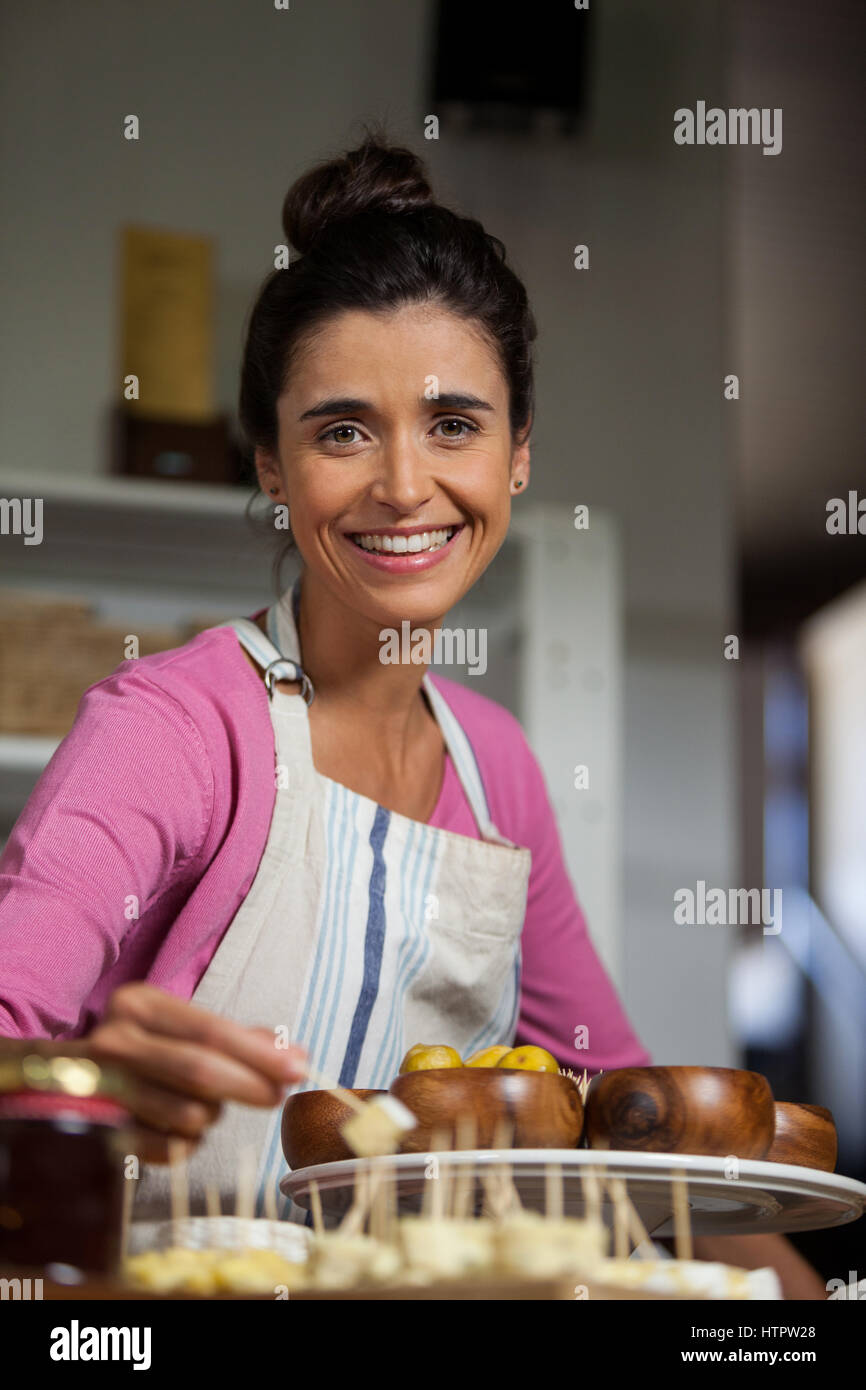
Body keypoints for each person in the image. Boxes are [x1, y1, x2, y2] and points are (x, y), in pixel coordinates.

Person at [0, 138, 824, 1293]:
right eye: (341, 429)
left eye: (453, 424)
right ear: (273, 467)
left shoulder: (499, 770)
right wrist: (72, 1082)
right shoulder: (171, 726)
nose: (400, 482)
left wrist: (794, 1300)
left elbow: (633, 1125)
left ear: (517, 453)